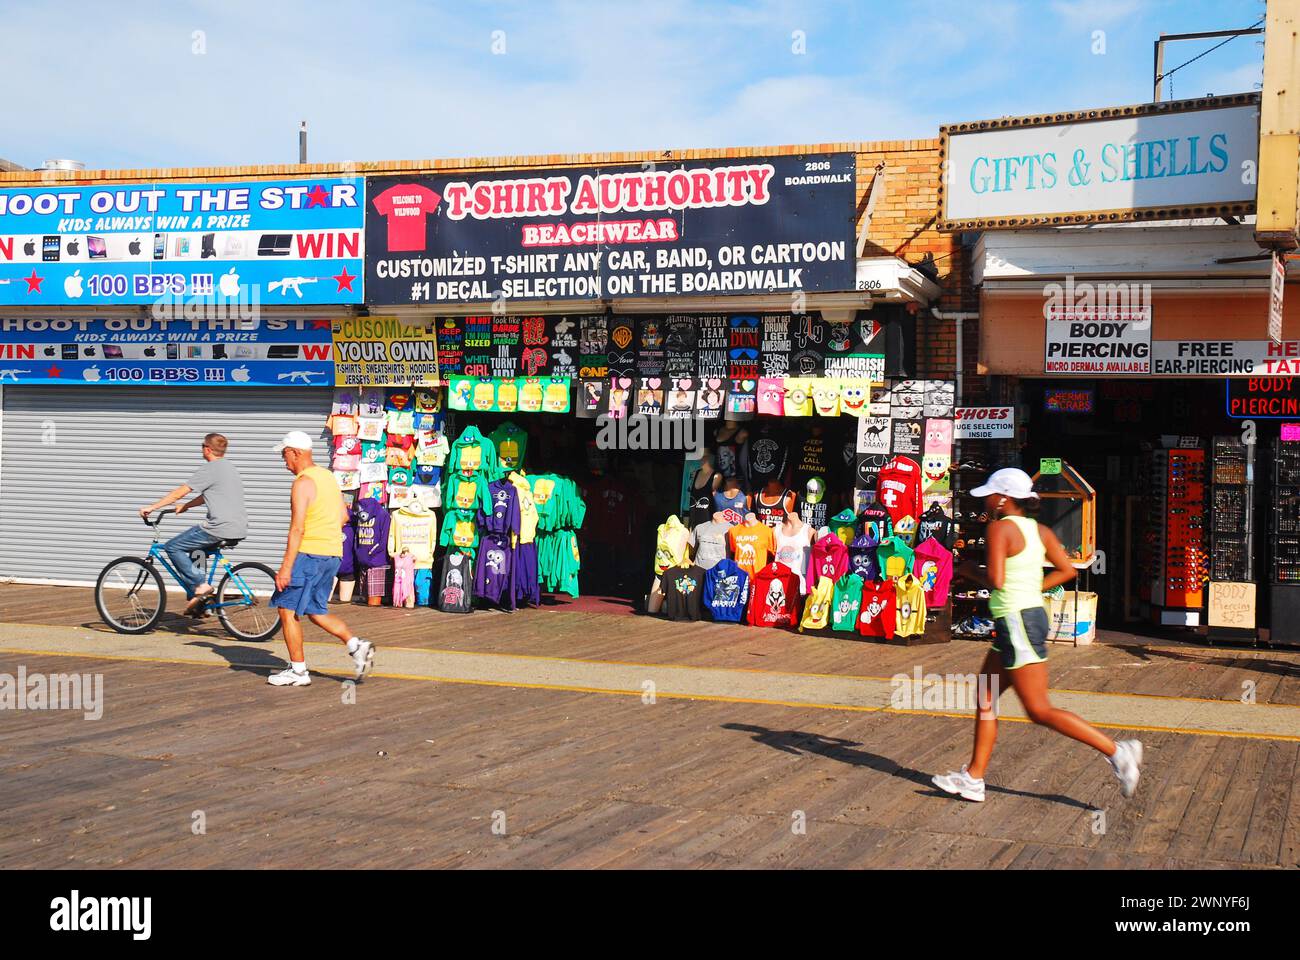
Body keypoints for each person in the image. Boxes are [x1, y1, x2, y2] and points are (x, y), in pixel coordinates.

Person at [931, 468, 1142, 803]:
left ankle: (1119, 752)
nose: (986, 499)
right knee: (986, 696)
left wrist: (969, 571)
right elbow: (1067, 569)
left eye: (990, 494)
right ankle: (973, 777)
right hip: (1024, 618)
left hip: (1016, 623)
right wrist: (1030, 589)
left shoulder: (999, 528)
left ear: (1003, 498)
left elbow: (998, 581)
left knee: (1039, 710)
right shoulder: (1040, 530)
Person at [266, 430, 374, 687]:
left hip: (309, 553)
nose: (284, 462)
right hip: (332, 553)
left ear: (295, 453)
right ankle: (357, 646)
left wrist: (285, 567)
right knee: (316, 611)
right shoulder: (327, 477)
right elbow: (344, 517)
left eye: (285, 455)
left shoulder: (303, 482)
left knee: (287, 609)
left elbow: (297, 529)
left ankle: (299, 671)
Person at [139, 433, 248, 614]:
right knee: (198, 552)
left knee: (173, 547)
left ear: (207, 449)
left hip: (218, 527)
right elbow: (209, 494)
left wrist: (153, 507)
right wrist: (186, 506)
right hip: (238, 527)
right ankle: (202, 604)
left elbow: (179, 492)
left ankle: (200, 587)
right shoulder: (230, 468)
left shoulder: (210, 469)